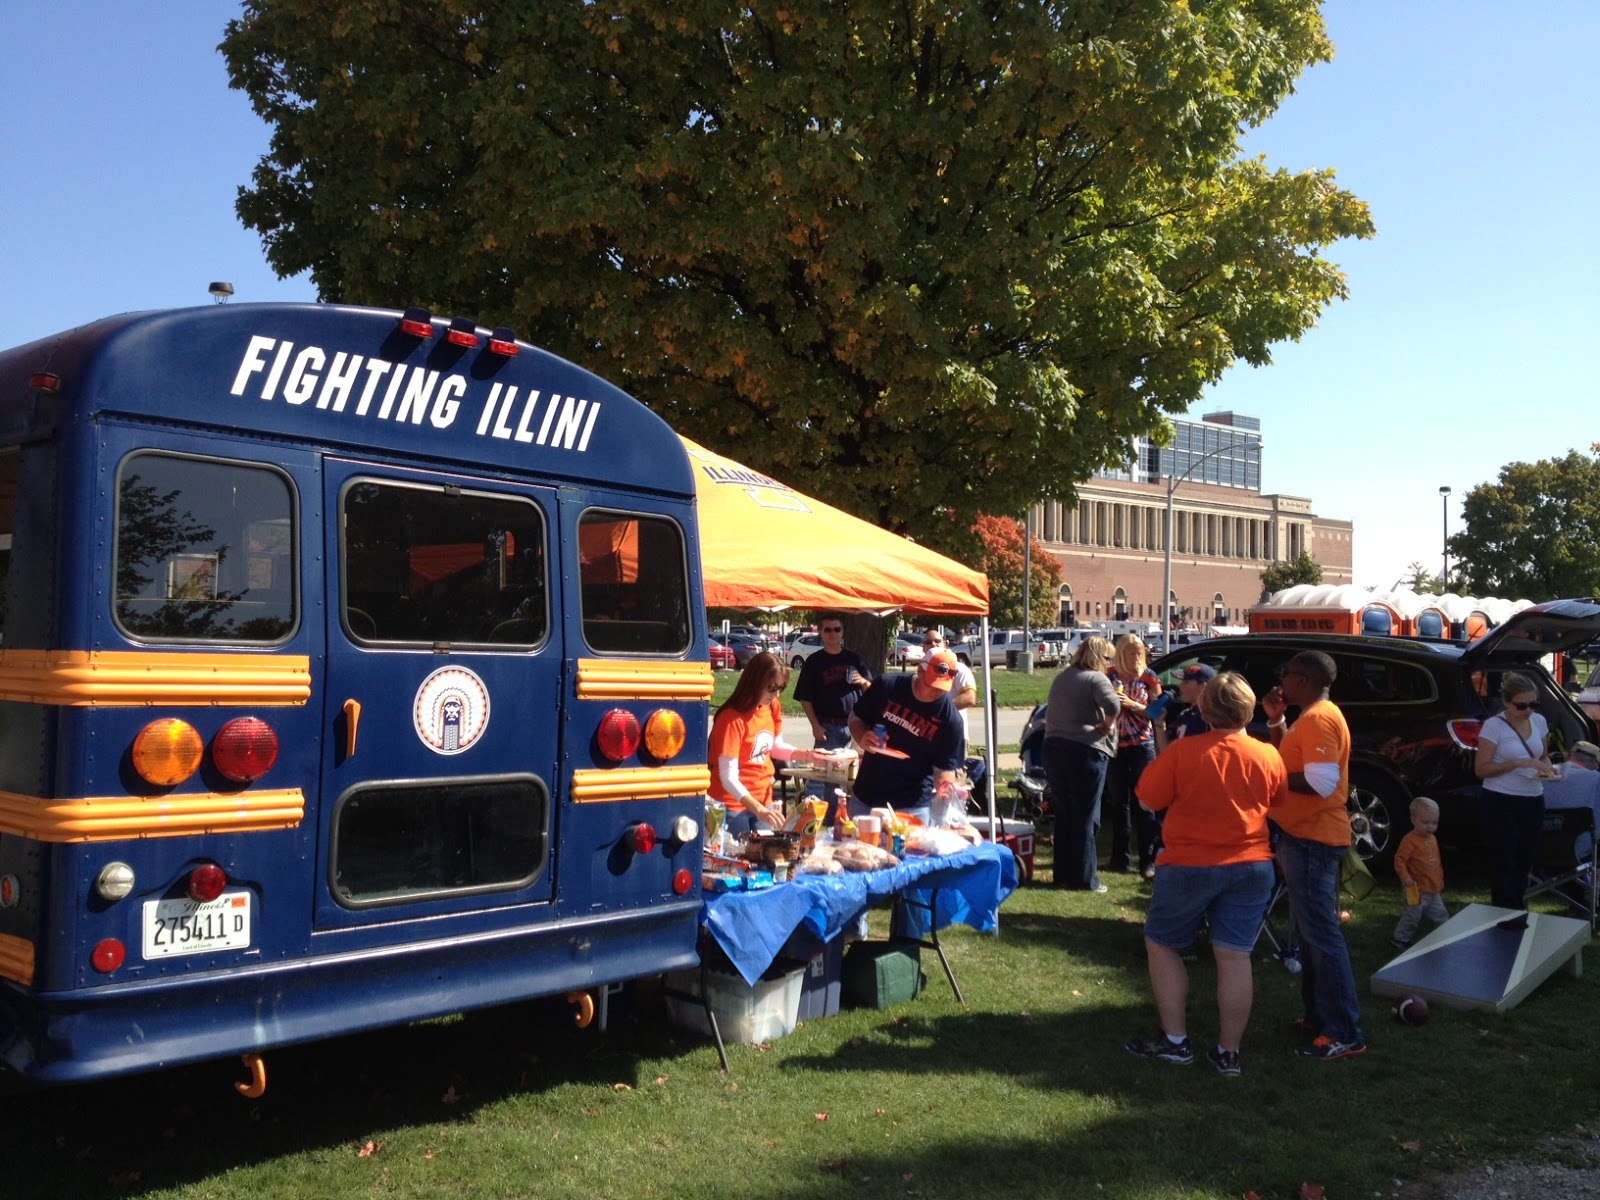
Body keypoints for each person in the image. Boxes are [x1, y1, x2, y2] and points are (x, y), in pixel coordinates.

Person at [1126, 671, 1286, 1075]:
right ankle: (1228, 1052)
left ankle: (1175, 1040)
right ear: (1248, 709)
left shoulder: (1184, 752)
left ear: (1205, 709)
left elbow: (1147, 799)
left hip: (1189, 864)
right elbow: (1278, 799)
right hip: (1252, 865)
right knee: (1234, 955)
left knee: (1162, 944)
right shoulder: (1268, 754)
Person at [1262, 650, 1364, 1061]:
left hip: (1313, 839)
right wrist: (1275, 721)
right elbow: (1292, 759)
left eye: (1286, 674)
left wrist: (1268, 777)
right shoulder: (1311, 716)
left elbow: (1321, 782)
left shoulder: (1321, 718)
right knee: (1310, 935)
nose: (1280, 681)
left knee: (1321, 936)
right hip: (1303, 837)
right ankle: (1320, 1018)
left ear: (1303, 680)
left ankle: (1344, 1032)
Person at [1042, 636, 1121, 893]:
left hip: (1054, 748)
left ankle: (1063, 874)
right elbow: (1113, 704)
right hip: (1085, 750)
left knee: (1064, 814)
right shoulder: (1096, 679)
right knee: (1086, 816)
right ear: (1098, 657)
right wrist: (1107, 724)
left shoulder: (1063, 677)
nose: (1110, 665)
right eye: (1108, 659)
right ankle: (1085, 878)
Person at [707, 652, 815, 837]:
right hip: (731, 805)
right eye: (771, 688)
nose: (776, 694)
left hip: (763, 801)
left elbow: (775, 747)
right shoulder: (731, 718)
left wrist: (809, 756)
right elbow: (728, 777)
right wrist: (759, 810)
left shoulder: (772, 706)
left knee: (768, 851)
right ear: (754, 682)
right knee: (739, 853)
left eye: (781, 688)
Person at [1475, 671, 1558, 909]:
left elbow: (1543, 755)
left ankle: (1519, 908)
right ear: (1506, 702)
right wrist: (1516, 764)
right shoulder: (1494, 726)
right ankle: (1504, 912)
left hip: (1533, 798)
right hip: (1501, 799)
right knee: (1505, 859)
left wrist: (1547, 770)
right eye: (1521, 706)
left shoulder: (1538, 721)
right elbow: (1481, 769)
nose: (1528, 711)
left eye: (1533, 704)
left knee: (1525, 859)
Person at [847, 648, 964, 816]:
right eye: (931, 685)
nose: (936, 692)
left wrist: (946, 787)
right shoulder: (887, 685)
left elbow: (944, 768)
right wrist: (862, 736)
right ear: (920, 670)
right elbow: (856, 717)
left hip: (913, 804)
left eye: (942, 687)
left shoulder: (950, 719)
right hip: (868, 795)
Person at [791, 614, 871, 800]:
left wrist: (862, 681)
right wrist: (815, 726)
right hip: (829, 727)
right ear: (821, 632)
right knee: (823, 777)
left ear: (843, 633)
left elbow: (871, 689)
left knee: (853, 776)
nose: (832, 633)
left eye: (837, 629)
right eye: (828, 630)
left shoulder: (854, 659)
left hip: (855, 725)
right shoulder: (814, 661)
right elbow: (805, 698)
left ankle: (844, 814)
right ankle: (818, 813)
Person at [1106, 633, 1162, 879]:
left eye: (1140, 652)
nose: (1137, 656)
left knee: (1146, 802)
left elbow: (1158, 711)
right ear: (1121, 653)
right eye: (1132, 652)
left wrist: (1132, 704)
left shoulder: (1149, 677)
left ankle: (1148, 861)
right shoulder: (1110, 675)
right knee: (1119, 802)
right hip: (1115, 744)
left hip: (1142, 744)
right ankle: (1120, 859)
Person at [1390, 796, 1448, 950]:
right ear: (1413, 820)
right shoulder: (1409, 840)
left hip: (1433, 888)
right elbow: (1399, 861)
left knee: (1441, 915)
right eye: (1426, 822)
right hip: (1415, 888)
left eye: (1434, 823)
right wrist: (1405, 877)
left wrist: (1440, 878)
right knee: (1412, 916)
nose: (1430, 826)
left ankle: (1444, 937)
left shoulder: (1433, 839)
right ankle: (1400, 939)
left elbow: (1436, 861)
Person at [1155, 663, 1215, 752]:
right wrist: (1160, 725)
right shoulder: (1185, 714)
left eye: (1186, 682)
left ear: (1202, 687)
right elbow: (1169, 753)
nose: (1180, 686)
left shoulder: (1210, 718)